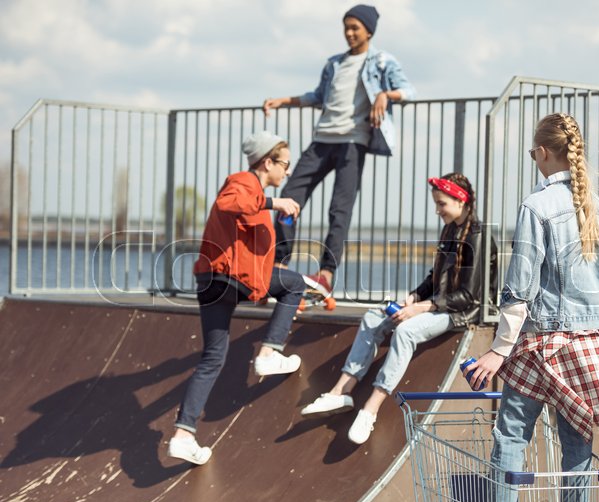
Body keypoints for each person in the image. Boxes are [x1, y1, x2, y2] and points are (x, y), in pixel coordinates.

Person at [464, 113, 599, 502]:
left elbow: (520, 287)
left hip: (539, 347)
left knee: (511, 438)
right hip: (589, 349)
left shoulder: (536, 206)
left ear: (544, 152)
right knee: (576, 447)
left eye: (534, 152)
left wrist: (499, 350)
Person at [300, 173, 497, 444]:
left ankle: (371, 408)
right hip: (438, 305)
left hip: (463, 314)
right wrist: (415, 296)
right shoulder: (450, 229)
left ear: (460, 202)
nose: (437, 210)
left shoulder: (479, 237)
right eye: (436, 204)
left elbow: (468, 296)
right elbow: (436, 277)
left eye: (442, 204)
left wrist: (421, 309)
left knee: (405, 331)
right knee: (373, 317)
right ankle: (341, 391)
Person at [168, 131, 307, 465]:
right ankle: (270, 353)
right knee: (296, 284)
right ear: (267, 162)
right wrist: (275, 202)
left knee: (213, 357)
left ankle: (182, 436)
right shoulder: (243, 182)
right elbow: (229, 203)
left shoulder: (254, 192)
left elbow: (247, 242)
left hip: (214, 279)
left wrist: (264, 282)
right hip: (230, 277)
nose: (287, 172)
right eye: (285, 164)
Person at [262, 4, 415, 294]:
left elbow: (409, 91)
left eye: (355, 27)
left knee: (338, 211)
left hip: (352, 144)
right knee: (288, 197)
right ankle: (279, 265)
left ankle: (326, 274)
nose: (349, 33)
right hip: (322, 141)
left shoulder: (381, 61)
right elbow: (317, 96)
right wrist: (281, 100)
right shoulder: (334, 63)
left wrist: (385, 94)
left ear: (369, 30)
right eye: (346, 27)